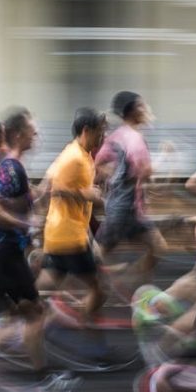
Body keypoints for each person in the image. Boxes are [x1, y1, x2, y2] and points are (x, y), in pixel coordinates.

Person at [0, 107, 46, 373]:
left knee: (8, 312)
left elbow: (18, 202)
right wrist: (28, 224)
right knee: (34, 312)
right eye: (32, 130)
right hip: (2, 252)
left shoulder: (14, 166)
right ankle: (42, 377)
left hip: (4, 251)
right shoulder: (11, 167)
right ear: (18, 134)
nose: (36, 134)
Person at [37, 107, 108, 323]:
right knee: (99, 291)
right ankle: (87, 339)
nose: (103, 136)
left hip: (64, 234)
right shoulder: (73, 158)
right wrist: (87, 195)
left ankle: (20, 321)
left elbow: (48, 182)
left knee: (41, 291)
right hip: (70, 239)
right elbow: (54, 189)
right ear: (86, 130)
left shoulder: (79, 154)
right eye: (100, 131)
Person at [95, 91, 166, 281]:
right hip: (126, 209)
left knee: (157, 246)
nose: (146, 109)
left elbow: (99, 163)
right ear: (133, 111)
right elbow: (146, 171)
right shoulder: (134, 139)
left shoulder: (116, 136)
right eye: (142, 106)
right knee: (98, 255)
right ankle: (117, 282)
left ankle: (132, 284)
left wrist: (116, 178)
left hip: (122, 206)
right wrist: (165, 155)